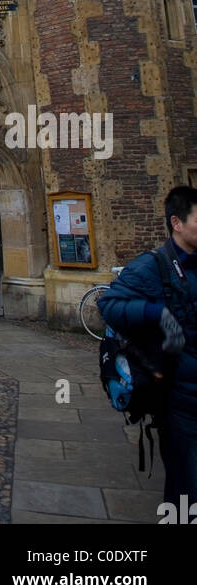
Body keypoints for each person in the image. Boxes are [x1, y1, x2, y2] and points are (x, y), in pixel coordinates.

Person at [98, 185, 197, 508]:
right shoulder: (154, 265)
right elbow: (109, 304)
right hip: (180, 396)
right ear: (177, 223)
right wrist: (156, 313)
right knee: (187, 483)